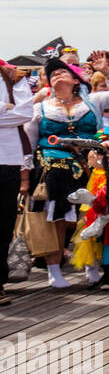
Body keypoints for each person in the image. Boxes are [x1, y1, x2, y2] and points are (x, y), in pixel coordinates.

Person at [31, 57, 100, 288]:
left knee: (90, 214)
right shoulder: (40, 108)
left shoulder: (92, 103)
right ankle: (54, 271)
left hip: (90, 164)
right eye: (52, 75)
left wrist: (107, 71)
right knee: (56, 217)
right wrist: (25, 177)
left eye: (62, 72)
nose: (56, 75)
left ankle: (91, 266)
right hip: (53, 167)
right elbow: (29, 143)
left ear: (75, 79)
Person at [0, 60, 34, 304]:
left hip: (6, 159)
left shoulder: (13, 76)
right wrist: (4, 107)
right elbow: (14, 113)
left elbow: (24, 113)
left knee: (2, 222)